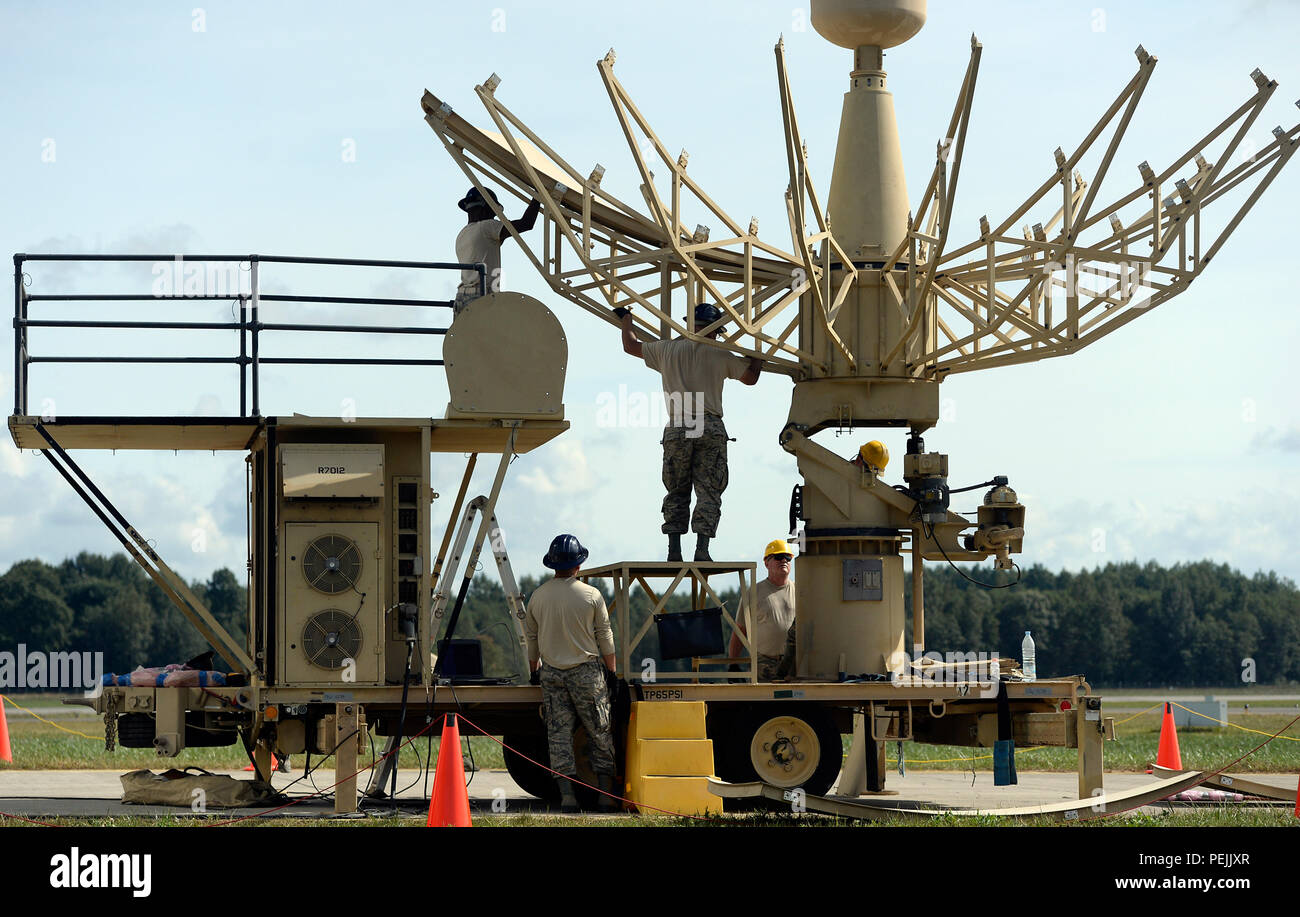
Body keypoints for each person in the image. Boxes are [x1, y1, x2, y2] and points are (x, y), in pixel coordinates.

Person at [615, 302, 761, 562]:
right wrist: (758, 356)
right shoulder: (720, 354)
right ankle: (702, 550)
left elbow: (630, 345)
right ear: (714, 330)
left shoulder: (667, 350)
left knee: (676, 489)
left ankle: (674, 550)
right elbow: (750, 378)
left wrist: (626, 318)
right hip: (709, 425)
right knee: (709, 490)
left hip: (678, 425)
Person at [524, 533, 619, 813]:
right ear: (578, 565)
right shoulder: (591, 596)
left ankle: (567, 796)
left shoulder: (538, 596)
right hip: (587, 674)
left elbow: (531, 639)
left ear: (552, 565)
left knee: (559, 735)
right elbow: (605, 636)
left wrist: (534, 670)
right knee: (599, 731)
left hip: (552, 673)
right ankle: (604, 795)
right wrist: (611, 671)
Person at [453, 186, 541, 314]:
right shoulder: (487, 227)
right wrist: (539, 195)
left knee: (467, 334)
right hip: (481, 295)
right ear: (486, 208)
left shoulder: (462, 234)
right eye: (493, 212)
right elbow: (526, 223)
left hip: (462, 297)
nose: (495, 216)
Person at [728, 539, 797, 681]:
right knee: (763, 703)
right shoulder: (753, 593)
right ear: (766, 562)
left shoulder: (800, 591)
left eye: (787, 557)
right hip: (765, 665)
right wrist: (733, 664)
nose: (784, 560)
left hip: (795, 665)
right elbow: (740, 630)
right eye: (778, 557)